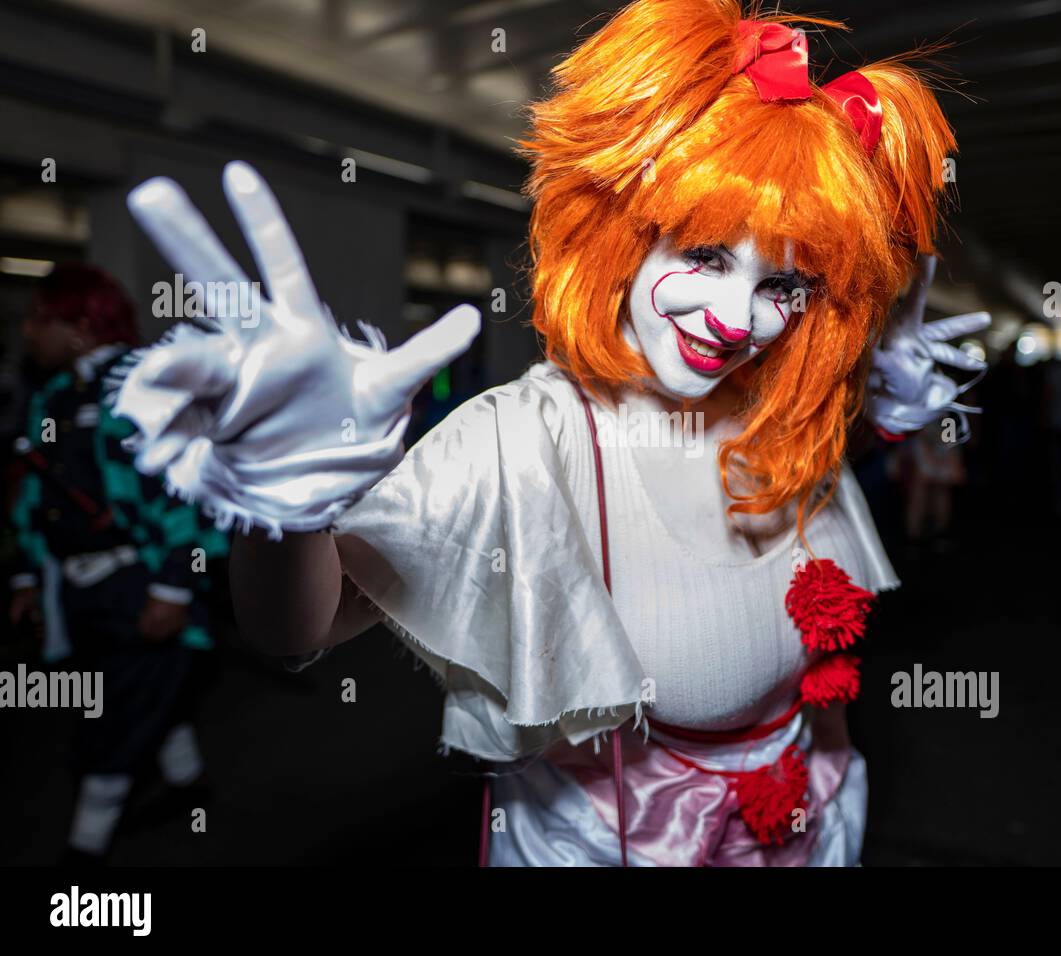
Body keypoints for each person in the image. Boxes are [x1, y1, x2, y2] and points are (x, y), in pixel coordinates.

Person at [110, 0, 985, 866]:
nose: (737, 317)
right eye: (707, 255)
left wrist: (872, 403)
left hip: (807, 815)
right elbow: (303, 626)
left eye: (783, 286)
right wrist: (289, 502)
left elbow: (807, 500)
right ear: (619, 240)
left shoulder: (775, 409)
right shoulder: (524, 436)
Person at [7, 263, 229, 864]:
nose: (27, 332)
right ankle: (188, 785)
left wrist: (175, 588)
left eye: (39, 319)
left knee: (110, 718)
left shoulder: (141, 388)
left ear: (79, 326)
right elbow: (35, 491)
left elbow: (187, 489)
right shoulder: (50, 397)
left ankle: (85, 851)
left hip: (141, 580)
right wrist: (27, 574)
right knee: (131, 692)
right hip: (77, 589)